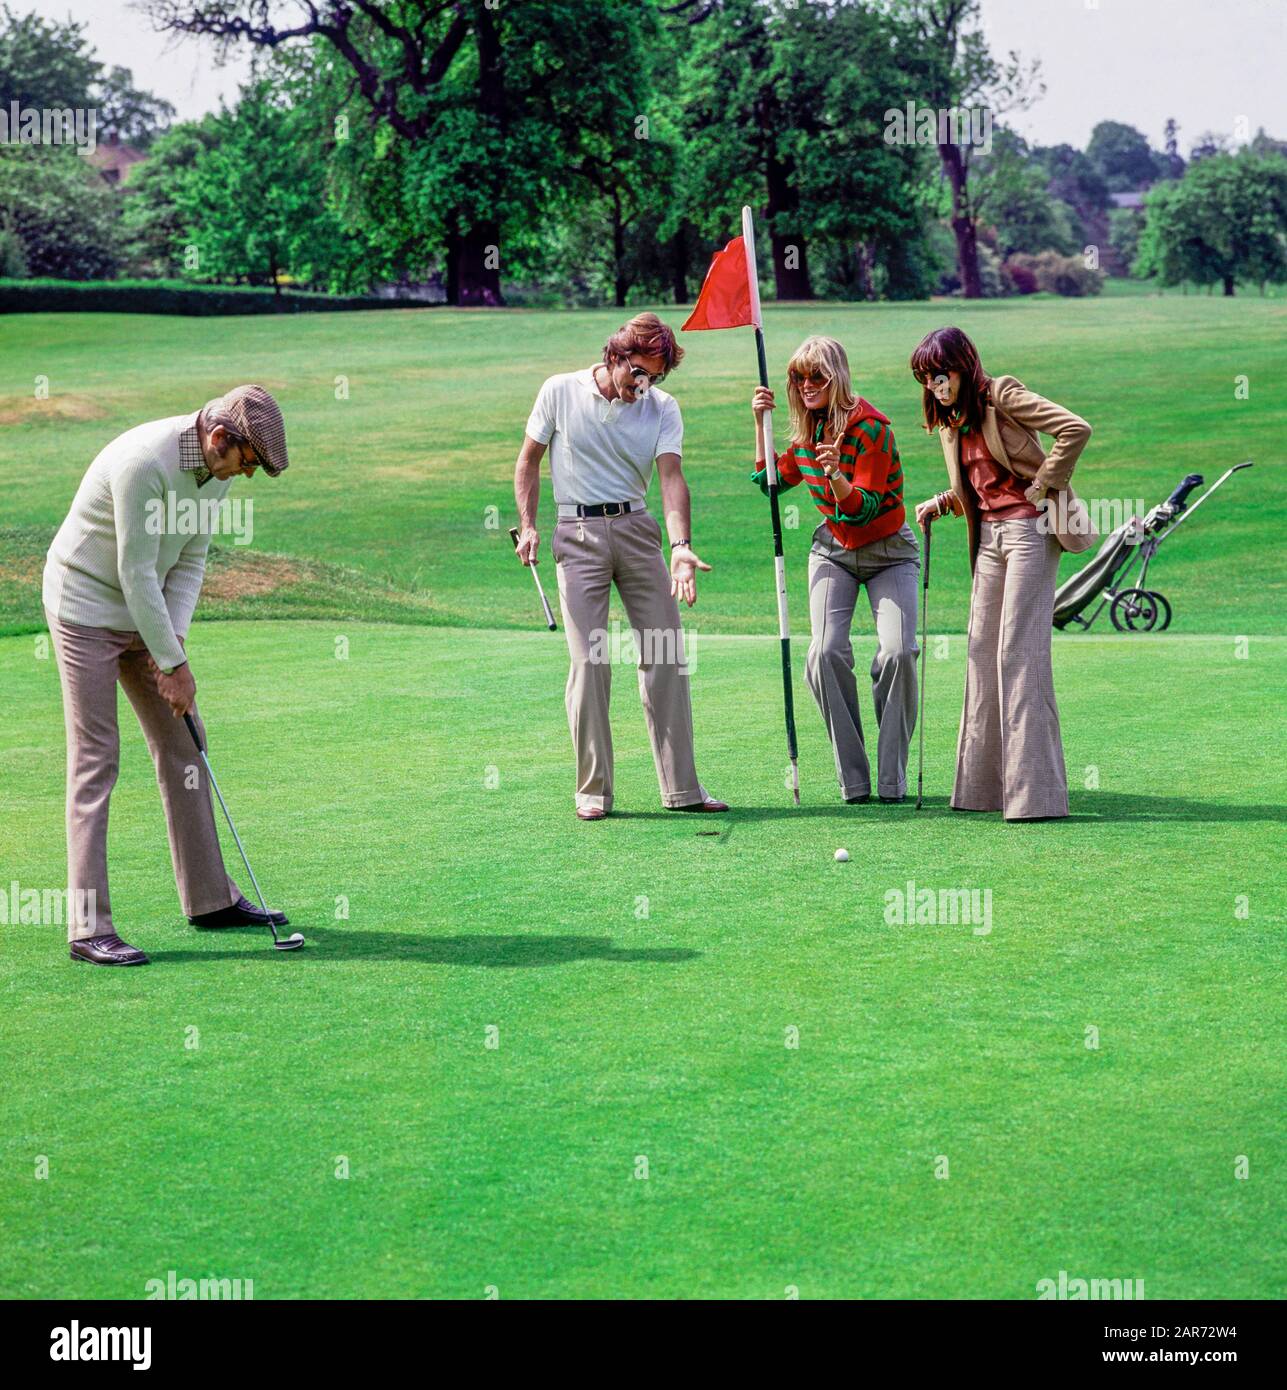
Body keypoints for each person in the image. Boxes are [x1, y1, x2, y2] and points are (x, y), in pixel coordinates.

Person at [43, 385, 292, 965]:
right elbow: (134, 570)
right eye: (248, 461)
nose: (247, 474)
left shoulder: (217, 471)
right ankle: (87, 928)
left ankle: (210, 899)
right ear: (219, 438)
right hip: (85, 607)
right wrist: (173, 667)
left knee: (185, 744)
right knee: (96, 758)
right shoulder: (144, 463)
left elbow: (191, 557)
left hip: (144, 610)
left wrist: (172, 645)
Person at [514, 312, 727, 821]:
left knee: (665, 652)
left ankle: (683, 790)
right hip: (578, 534)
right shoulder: (560, 391)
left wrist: (680, 546)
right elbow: (528, 460)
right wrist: (528, 525)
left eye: (654, 375)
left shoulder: (662, 407)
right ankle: (593, 791)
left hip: (636, 531)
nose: (644, 383)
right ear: (615, 356)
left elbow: (672, 478)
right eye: (638, 371)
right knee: (591, 662)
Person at [909, 326, 1095, 821]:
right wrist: (942, 502)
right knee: (979, 651)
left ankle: (1036, 798)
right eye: (926, 380)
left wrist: (1043, 486)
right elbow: (981, 480)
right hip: (989, 540)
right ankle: (980, 790)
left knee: (1018, 653)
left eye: (940, 375)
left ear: (962, 366)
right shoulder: (951, 422)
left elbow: (1075, 429)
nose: (935, 386)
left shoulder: (1002, 394)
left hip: (1032, 532)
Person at [750, 336, 919, 803]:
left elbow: (863, 508)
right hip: (833, 552)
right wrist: (759, 422)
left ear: (837, 376)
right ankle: (856, 782)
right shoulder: (806, 432)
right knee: (823, 655)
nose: (806, 385)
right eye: (798, 378)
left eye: (816, 376)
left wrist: (836, 476)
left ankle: (891, 782)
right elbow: (769, 484)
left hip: (890, 551)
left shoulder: (873, 429)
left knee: (899, 652)